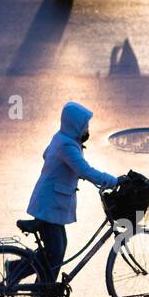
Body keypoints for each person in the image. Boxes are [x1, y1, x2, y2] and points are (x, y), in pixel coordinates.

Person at [23, 102, 119, 279]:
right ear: (76, 126)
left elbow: (47, 155)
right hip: (49, 205)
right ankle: (30, 281)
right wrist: (114, 181)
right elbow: (86, 170)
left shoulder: (61, 138)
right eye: (85, 126)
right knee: (55, 252)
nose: (87, 129)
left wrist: (68, 171)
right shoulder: (67, 146)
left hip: (49, 203)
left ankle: (44, 288)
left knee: (57, 249)